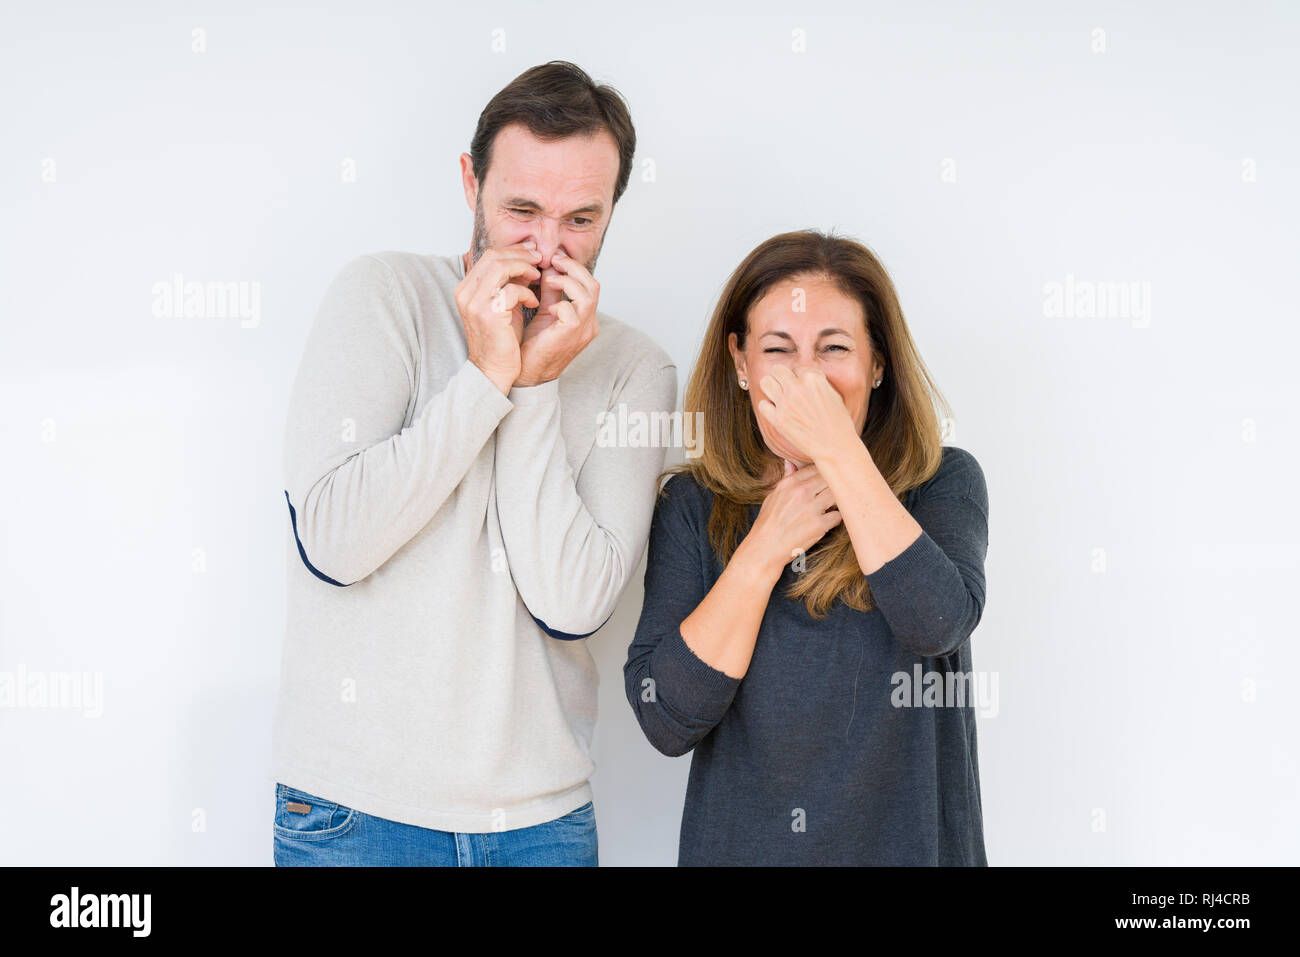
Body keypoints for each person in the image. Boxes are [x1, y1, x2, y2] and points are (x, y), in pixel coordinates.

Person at [272, 61, 676, 866]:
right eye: (521, 208)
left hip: (541, 824)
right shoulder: (382, 295)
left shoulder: (638, 369)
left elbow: (573, 601)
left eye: (581, 220)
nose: (548, 246)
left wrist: (535, 386)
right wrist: (488, 377)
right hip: (353, 814)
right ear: (471, 182)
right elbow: (334, 543)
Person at [624, 229, 989, 865]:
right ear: (741, 364)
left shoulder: (942, 483)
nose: (806, 376)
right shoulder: (691, 506)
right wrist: (765, 547)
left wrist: (837, 451)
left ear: (879, 365)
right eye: (779, 348)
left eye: (835, 348)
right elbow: (667, 719)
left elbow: (938, 624)